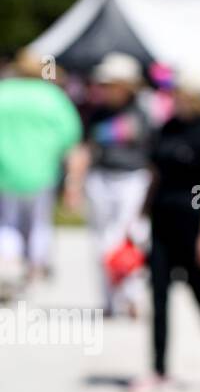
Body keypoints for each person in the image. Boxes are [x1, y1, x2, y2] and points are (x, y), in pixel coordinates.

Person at [132, 67, 200, 392]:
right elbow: (155, 175)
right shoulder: (166, 129)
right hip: (162, 221)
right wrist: (139, 214)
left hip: (193, 222)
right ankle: (159, 369)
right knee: (158, 295)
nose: (178, 99)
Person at [66, 52, 154, 318]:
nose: (104, 89)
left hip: (132, 179)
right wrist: (74, 184)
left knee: (127, 238)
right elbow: (82, 149)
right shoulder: (95, 113)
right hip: (100, 178)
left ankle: (132, 295)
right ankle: (109, 300)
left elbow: (151, 153)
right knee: (101, 241)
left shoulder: (141, 113)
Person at [0, 51, 83, 296]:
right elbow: (72, 140)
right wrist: (73, 184)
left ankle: (8, 263)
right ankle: (35, 267)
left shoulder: (4, 92)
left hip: (5, 172)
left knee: (7, 223)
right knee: (39, 223)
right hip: (42, 173)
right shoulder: (53, 98)